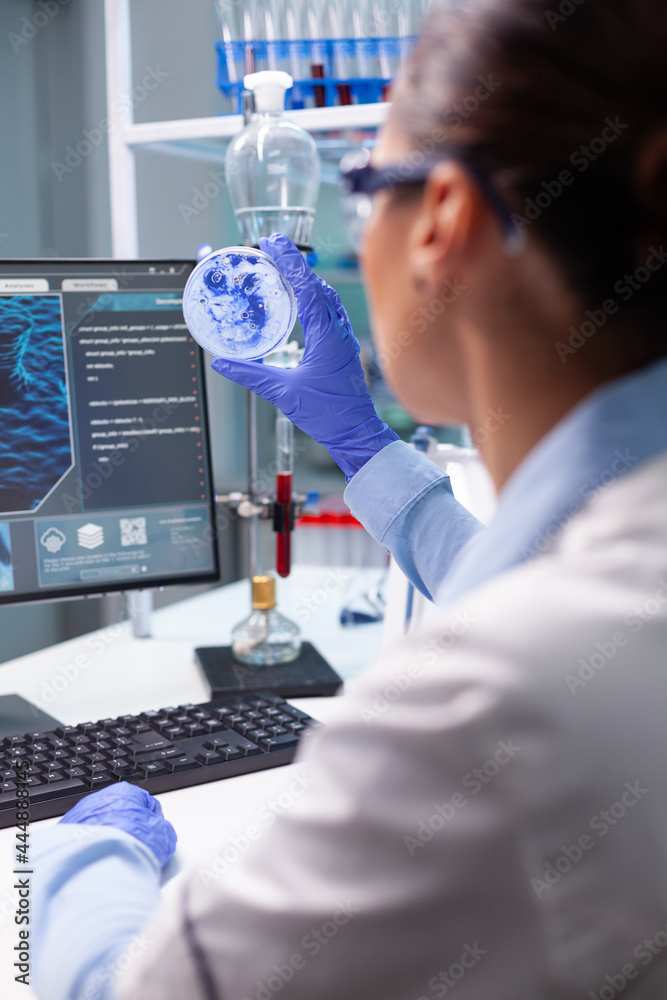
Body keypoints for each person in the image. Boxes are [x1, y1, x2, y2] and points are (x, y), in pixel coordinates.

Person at [31, 1, 667, 997]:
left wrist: (80, 865)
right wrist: (360, 442)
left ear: (443, 222)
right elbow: (542, 587)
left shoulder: (482, 706)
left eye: (362, 187)